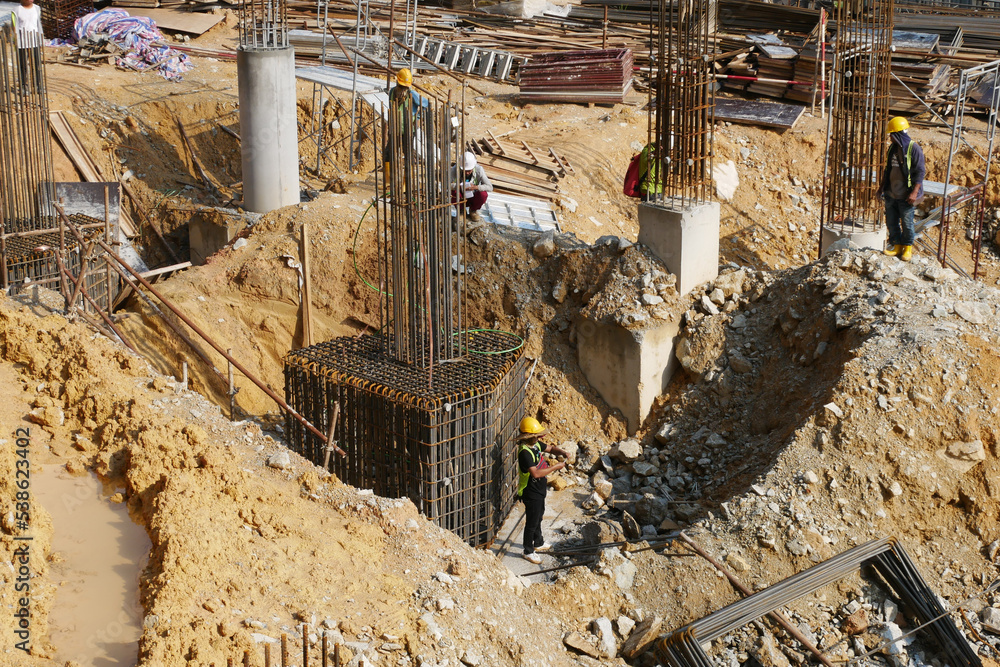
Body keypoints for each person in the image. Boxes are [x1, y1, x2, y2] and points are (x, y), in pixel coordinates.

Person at [516, 416, 569, 564]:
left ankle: (538, 542)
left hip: (539, 489)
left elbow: (550, 449)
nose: (539, 437)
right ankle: (528, 551)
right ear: (529, 436)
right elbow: (536, 473)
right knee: (532, 522)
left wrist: (562, 452)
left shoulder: (535, 445)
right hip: (530, 491)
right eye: (536, 435)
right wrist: (555, 467)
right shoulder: (525, 453)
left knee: (538, 516)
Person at [878, 116, 925, 263]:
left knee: (907, 223)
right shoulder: (892, 149)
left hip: (906, 195)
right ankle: (897, 246)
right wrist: (881, 188)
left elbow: (920, 172)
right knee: (891, 222)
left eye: (891, 134)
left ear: (898, 134)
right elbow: (887, 170)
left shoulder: (914, 148)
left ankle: (907, 248)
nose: (890, 137)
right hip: (891, 193)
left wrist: (914, 192)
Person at [13, 0, 43, 93]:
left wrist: (40, 40)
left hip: (34, 41)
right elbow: (14, 27)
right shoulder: (16, 10)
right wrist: (16, 41)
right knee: (23, 65)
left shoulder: (37, 8)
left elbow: (38, 24)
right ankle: (23, 86)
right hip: (22, 42)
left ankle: (38, 86)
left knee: (36, 65)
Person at [452, 152, 492, 222]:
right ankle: (461, 211)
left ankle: (473, 210)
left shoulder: (479, 170)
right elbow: (446, 185)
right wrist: (459, 186)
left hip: (473, 197)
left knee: (483, 194)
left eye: (469, 170)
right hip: (460, 198)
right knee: (452, 192)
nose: (467, 173)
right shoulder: (455, 169)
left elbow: (490, 187)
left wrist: (476, 187)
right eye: (465, 171)